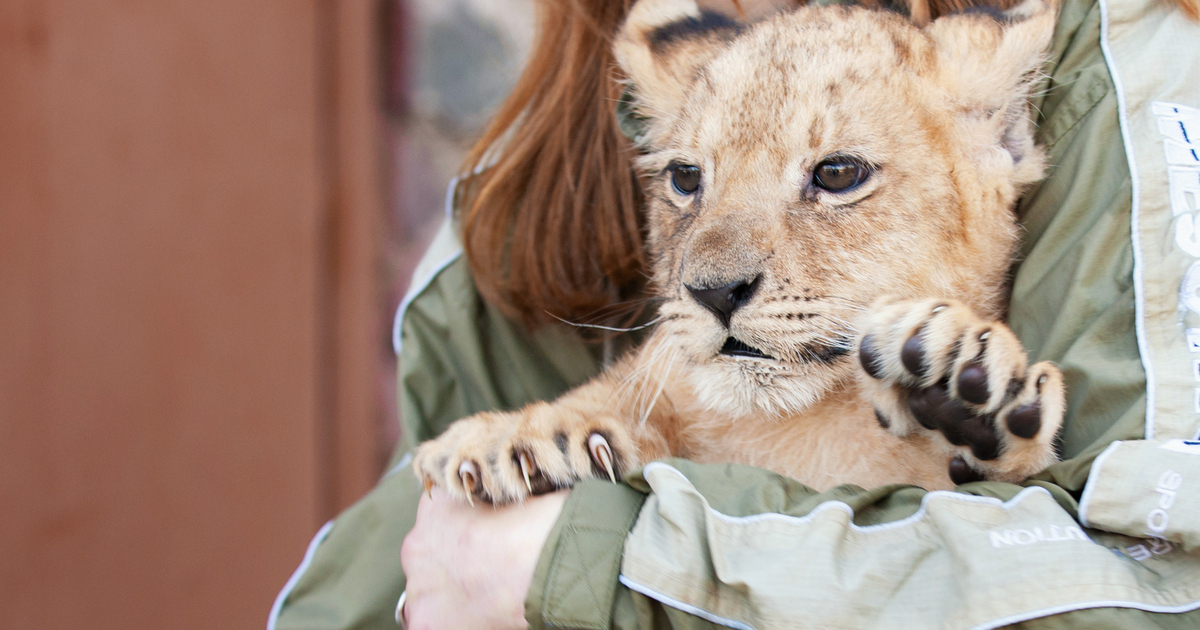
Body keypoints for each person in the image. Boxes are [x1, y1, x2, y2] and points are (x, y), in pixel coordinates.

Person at [269, 0, 1200, 628]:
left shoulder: (1108, 62)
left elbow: (1153, 583)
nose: (715, 271)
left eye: (835, 176)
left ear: (1003, 136)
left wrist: (595, 564)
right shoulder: (534, 173)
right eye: (686, 181)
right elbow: (383, 575)